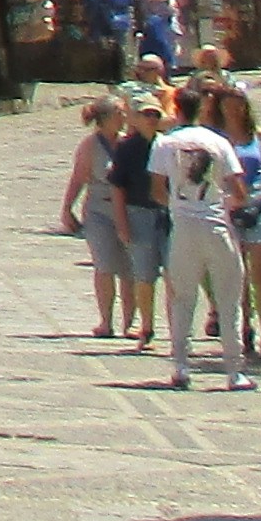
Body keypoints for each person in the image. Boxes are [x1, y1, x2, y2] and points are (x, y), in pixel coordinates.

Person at [153, 92, 249, 389]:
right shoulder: (219, 142)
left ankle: (181, 366)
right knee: (229, 298)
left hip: (182, 226)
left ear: (176, 108)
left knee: (182, 298)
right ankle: (235, 371)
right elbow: (239, 190)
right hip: (216, 224)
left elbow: (156, 188)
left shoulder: (164, 143)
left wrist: (175, 206)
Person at [216, 83, 261, 362]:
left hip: (260, 205)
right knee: (238, 276)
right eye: (228, 103)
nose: (233, 109)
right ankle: (245, 328)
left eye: (238, 103)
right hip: (230, 208)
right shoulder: (216, 140)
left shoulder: (259, 138)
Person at [61, 94, 130, 336]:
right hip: (99, 209)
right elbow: (78, 177)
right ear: (105, 118)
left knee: (128, 268)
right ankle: (106, 321)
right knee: (104, 264)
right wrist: (67, 207)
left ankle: (130, 324)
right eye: (119, 112)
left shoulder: (128, 142)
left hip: (128, 210)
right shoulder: (90, 146)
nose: (124, 117)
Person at [108, 94, 171, 349]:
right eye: (146, 114)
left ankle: (178, 328)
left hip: (167, 215)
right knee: (144, 276)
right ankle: (146, 327)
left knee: (174, 273)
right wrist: (122, 224)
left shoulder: (167, 145)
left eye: (155, 114)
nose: (151, 119)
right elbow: (117, 187)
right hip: (138, 213)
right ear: (135, 118)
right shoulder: (127, 148)